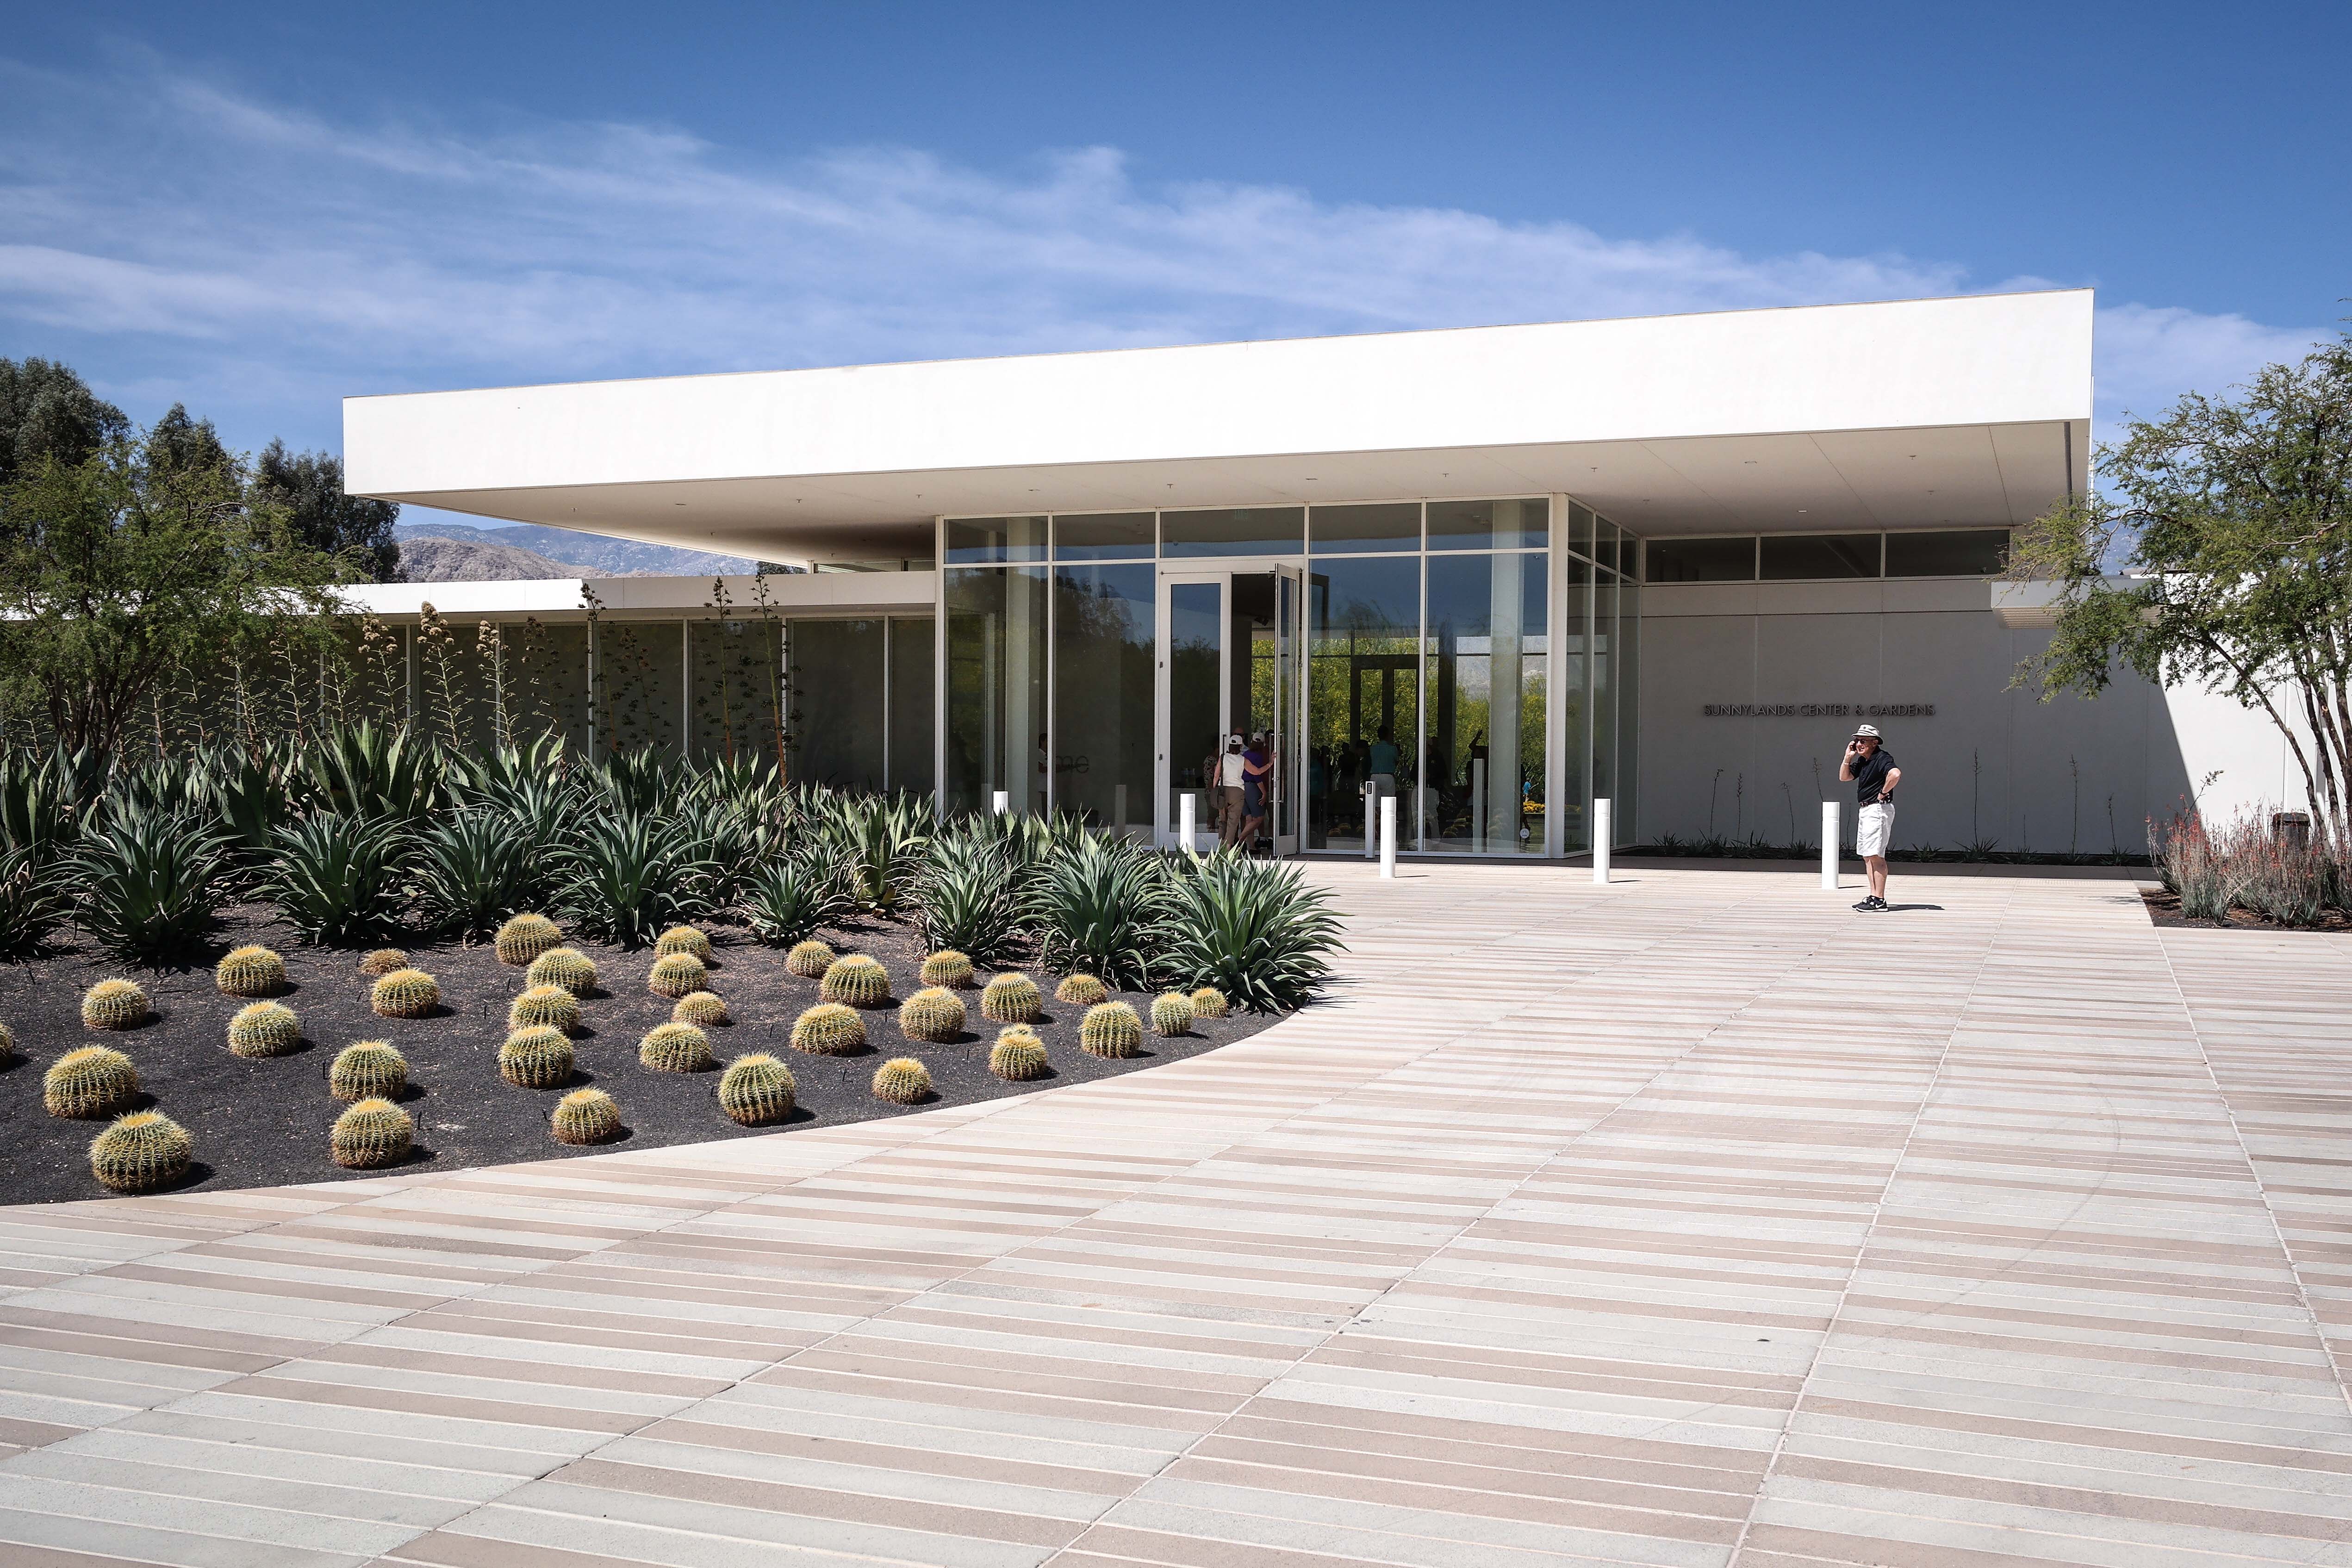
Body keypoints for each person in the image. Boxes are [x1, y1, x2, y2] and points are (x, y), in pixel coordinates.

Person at [1839, 723, 1902, 911]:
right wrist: (1847, 758)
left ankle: (1879, 899)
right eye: (1857, 740)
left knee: (1875, 856)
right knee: (1868, 856)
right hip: (1867, 810)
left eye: (1864, 741)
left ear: (1875, 743)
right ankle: (1873, 896)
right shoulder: (1864, 761)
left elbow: (1896, 774)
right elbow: (1845, 777)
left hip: (1878, 810)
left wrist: (1883, 793)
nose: (1859, 744)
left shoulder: (1882, 758)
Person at [1240, 732, 1275, 852]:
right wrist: (1264, 792)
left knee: (1249, 819)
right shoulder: (1259, 757)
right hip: (1253, 788)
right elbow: (1257, 775)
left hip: (1243, 786)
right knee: (1259, 818)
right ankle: (1240, 840)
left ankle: (1251, 846)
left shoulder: (1245, 754)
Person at [1214, 733, 1249, 847]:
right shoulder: (1243, 760)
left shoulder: (1223, 757)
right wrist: (1270, 764)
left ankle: (1220, 845)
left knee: (1222, 819)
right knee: (1233, 821)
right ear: (1240, 746)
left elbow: (1216, 775)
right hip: (1237, 791)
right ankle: (1228, 848)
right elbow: (1257, 771)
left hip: (1223, 791)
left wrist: (1214, 790)